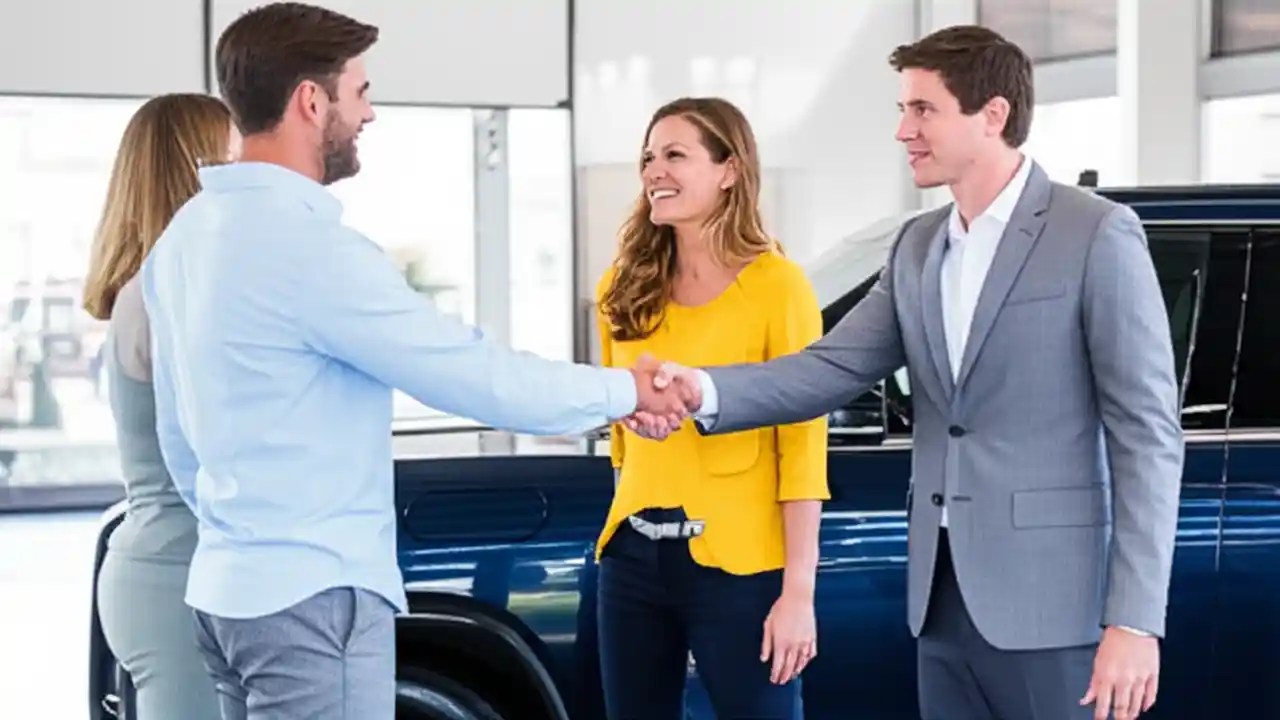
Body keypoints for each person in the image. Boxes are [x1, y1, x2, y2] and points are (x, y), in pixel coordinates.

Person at [140, 3, 686, 718]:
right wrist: (624, 390)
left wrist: (237, 531)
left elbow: (177, 431)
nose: (369, 114)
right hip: (312, 599)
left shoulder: (187, 236)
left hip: (226, 596)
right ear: (311, 100)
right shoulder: (311, 250)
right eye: (360, 93)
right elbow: (469, 372)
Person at [635, 25, 1182, 720]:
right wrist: (704, 389)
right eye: (903, 109)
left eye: (922, 109)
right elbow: (830, 366)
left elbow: (1147, 438)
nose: (903, 130)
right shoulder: (919, 246)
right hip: (942, 601)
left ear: (992, 115)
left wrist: (1134, 623)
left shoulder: (1095, 233)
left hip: (1055, 606)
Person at [594, 97, 828, 720]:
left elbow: (802, 448)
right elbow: (622, 440)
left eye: (675, 155)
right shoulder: (621, 285)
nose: (654, 172)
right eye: (648, 157)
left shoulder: (778, 286)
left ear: (729, 170)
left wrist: (797, 593)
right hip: (631, 560)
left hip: (743, 571)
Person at [84, 92, 240, 720]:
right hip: (174, 577)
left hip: (164, 568)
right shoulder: (162, 293)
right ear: (196, 168)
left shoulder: (158, 286)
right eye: (234, 156)